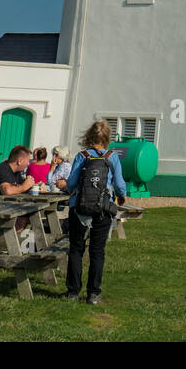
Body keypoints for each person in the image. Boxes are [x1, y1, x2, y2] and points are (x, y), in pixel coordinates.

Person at [64, 120, 128, 304]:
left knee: (76, 249)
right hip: (102, 208)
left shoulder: (81, 156)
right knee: (97, 251)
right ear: (107, 137)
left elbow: (71, 183)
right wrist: (122, 196)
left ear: (88, 136)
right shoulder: (111, 156)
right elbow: (119, 183)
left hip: (79, 207)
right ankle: (93, 294)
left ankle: (73, 292)